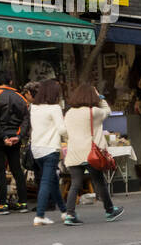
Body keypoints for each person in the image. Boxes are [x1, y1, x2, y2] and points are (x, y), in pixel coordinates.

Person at [62, 83, 124, 224]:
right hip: (90, 152)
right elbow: (107, 111)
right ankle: (109, 210)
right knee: (99, 182)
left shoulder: (69, 113)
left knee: (75, 183)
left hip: (74, 152)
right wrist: (101, 98)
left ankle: (70, 215)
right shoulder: (94, 111)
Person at [0, 72, 30, 213]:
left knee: (0, 170)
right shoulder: (21, 96)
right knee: (16, 169)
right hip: (15, 137)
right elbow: (26, 119)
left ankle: (2, 203)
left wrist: (3, 136)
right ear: (10, 82)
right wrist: (19, 136)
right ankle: (23, 202)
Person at [28, 78, 67, 226]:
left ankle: (64, 212)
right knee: (46, 181)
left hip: (36, 149)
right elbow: (62, 129)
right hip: (50, 148)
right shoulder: (54, 108)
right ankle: (40, 215)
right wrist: (72, 135)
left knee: (52, 181)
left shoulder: (34, 107)